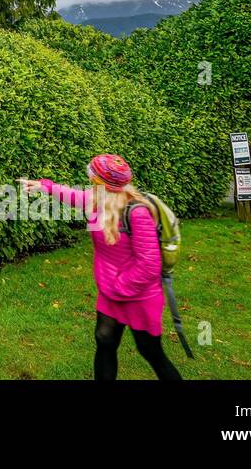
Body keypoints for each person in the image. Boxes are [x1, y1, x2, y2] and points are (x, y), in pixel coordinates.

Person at [20, 154, 182, 381]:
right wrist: (44, 186)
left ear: (102, 183)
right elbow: (73, 195)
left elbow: (149, 265)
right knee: (104, 340)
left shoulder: (137, 213)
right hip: (111, 293)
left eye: (92, 176)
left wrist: (118, 286)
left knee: (151, 352)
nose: (89, 179)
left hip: (139, 297)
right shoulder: (99, 200)